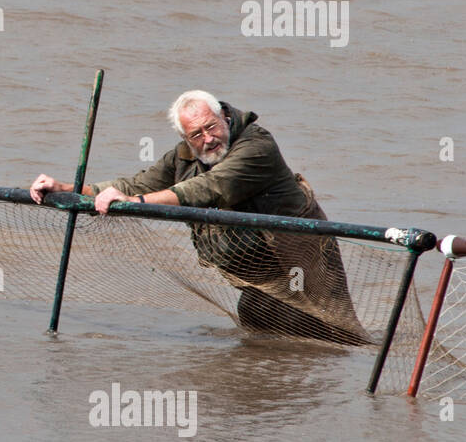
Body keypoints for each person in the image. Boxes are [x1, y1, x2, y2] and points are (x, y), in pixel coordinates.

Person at [29, 90, 368, 344]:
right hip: (256, 269)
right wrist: (64, 187)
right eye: (196, 135)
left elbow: (210, 188)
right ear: (185, 138)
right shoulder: (184, 155)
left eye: (211, 127)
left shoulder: (256, 146)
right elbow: (134, 183)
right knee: (258, 323)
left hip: (299, 257)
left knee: (334, 332)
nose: (208, 139)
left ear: (225, 116)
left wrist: (135, 201)